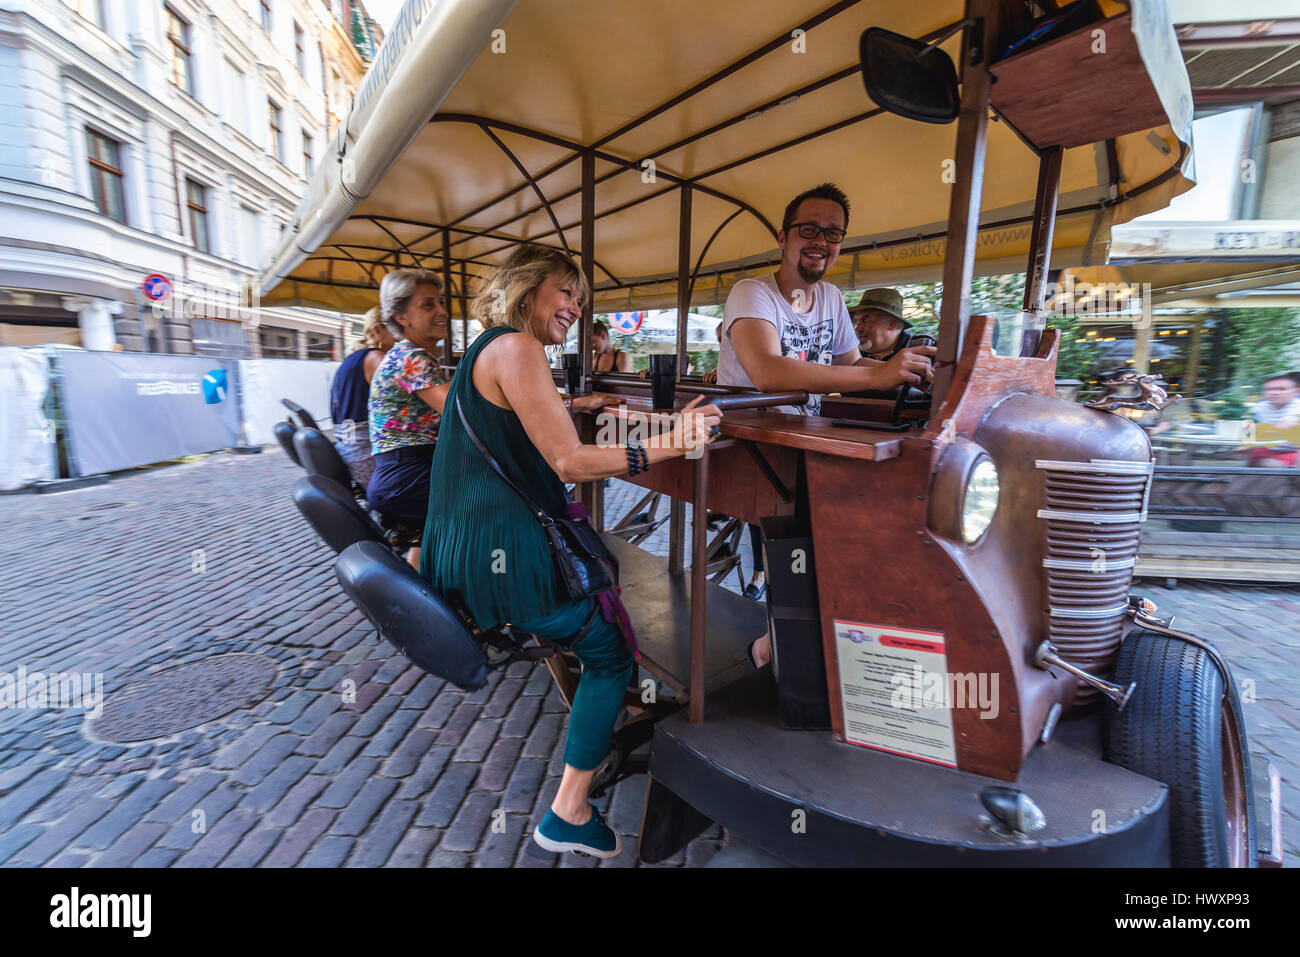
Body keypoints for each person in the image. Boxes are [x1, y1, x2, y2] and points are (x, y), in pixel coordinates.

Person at [420, 244, 724, 859]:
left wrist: (573, 407)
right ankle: (569, 809)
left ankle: (590, 720)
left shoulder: (487, 349)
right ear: (527, 290)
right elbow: (570, 461)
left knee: (599, 607)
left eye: (579, 298)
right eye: (565, 292)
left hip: (462, 551)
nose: (574, 307)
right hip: (502, 562)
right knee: (614, 650)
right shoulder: (520, 346)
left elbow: (527, 425)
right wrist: (675, 441)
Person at [716, 182, 935, 419]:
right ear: (782, 238)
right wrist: (878, 376)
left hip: (803, 432)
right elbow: (767, 372)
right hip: (743, 438)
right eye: (808, 229)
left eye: (832, 233)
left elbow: (851, 363)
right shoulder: (751, 291)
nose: (821, 241)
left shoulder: (831, 296)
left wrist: (909, 373)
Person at [366, 269, 451, 566]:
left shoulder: (411, 356)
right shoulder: (410, 358)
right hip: (406, 476)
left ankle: (420, 600)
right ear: (402, 317)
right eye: (428, 305)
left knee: (426, 538)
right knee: (494, 500)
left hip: (399, 475)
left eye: (441, 302)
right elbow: (465, 411)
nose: (442, 311)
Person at [330, 307, 396, 488]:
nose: (399, 333)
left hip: (348, 447)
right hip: (365, 454)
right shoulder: (377, 358)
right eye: (394, 327)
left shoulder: (352, 359)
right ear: (377, 330)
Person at [1248, 373, 1300, 468]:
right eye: (1269, 389)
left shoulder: (1297, 406)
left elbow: (1286, 425)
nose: (1274, 392)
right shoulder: (1261, 407)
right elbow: (1247, 430)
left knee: (1265, 463)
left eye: (1281, 389)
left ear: (1295, 391)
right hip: (1267, 449)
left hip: (1293, 452)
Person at [852, 287, 917, 361]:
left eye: (865, 320)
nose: (857, 328)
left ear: (892, 323)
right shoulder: (853, 354)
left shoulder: (921, 346)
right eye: (856, 322)